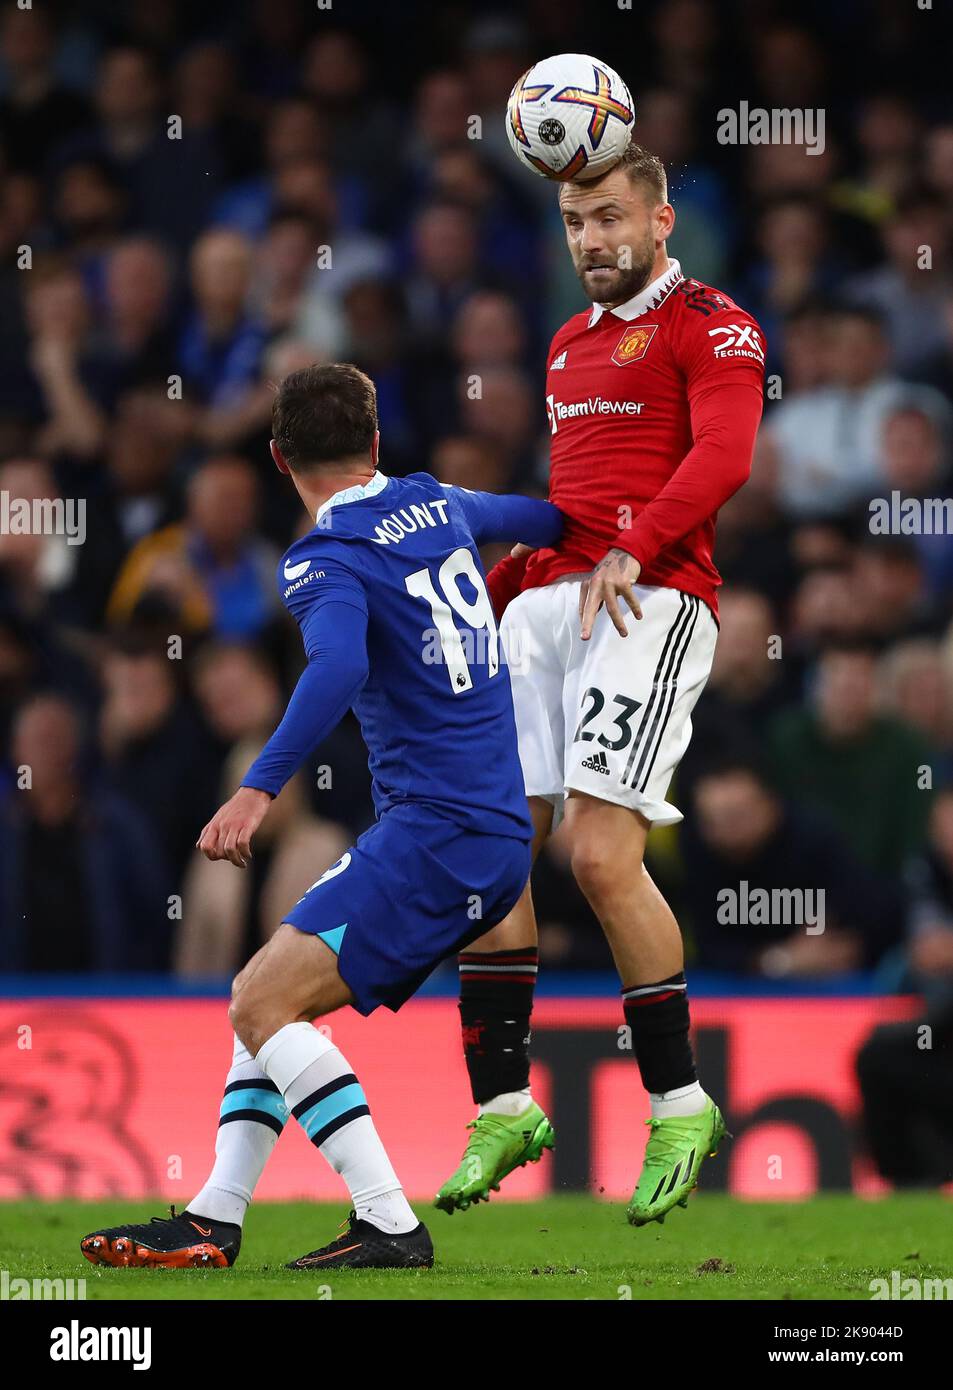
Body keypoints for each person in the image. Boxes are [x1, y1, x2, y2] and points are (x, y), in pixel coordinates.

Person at [79, 362, 561, 1271]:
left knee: (258, 999)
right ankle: (215, 1219)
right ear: (376, 444)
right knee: (268, 1000)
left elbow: (335, 669)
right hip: (485, 832)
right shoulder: (436, 502)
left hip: (439, 833)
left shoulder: (322, 559)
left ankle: (388, 1223)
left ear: (277, 459)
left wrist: (256, 787)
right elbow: (541, 519)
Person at [435, 141, 764, 1227]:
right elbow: (572, 502)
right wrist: (493, 584)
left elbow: (722, 458)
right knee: (489, 847)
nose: (592, 241)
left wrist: (635, 546)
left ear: (661, 221)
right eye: (576, 223)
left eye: (612, 218)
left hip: (650, 598)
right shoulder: (567, 343)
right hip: (551, 607)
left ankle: (677, 1100)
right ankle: (502, 1106)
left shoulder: (712, 323)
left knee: (594, 849)